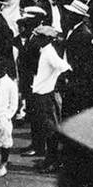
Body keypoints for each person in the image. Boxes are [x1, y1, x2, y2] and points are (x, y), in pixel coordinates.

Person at [25, 25, 69, 171]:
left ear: (47, 39)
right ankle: (49, 160)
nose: (37, 39)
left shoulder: (49, 52)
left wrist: (55, 80)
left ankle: (53, 162)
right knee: (47, 130)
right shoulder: (45, 50)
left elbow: (63, 66)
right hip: (41, 93)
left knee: (51, 131)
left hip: (46, 95)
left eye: (40, 37)